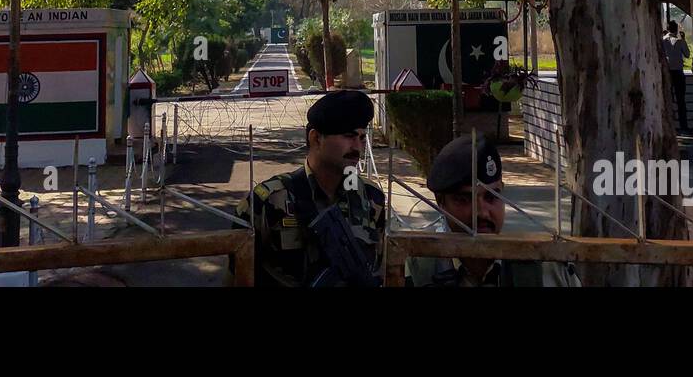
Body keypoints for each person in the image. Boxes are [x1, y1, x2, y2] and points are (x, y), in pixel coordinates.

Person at [231, 89, 385, 287]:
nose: (358, 147)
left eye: (362, 138)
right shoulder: (267, 201)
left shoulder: (372, 198)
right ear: (316, 139)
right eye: (349, 136)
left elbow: (381, 267)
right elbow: (237, 275)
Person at [405, 134, 578, 287]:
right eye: (464, 200)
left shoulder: (544, 269)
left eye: (491, 197)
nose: (481, 213)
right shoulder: (415, 271)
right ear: (441, 202)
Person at [661, 20, 690, 130]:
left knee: (667, 99)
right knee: (681, 100)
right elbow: (687, 54)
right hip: (678, 72)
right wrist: (684, 39)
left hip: (667, 72)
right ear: (676, 29)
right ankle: (684, 126)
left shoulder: (662, 41)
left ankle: (668, 126)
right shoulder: (680, 41)